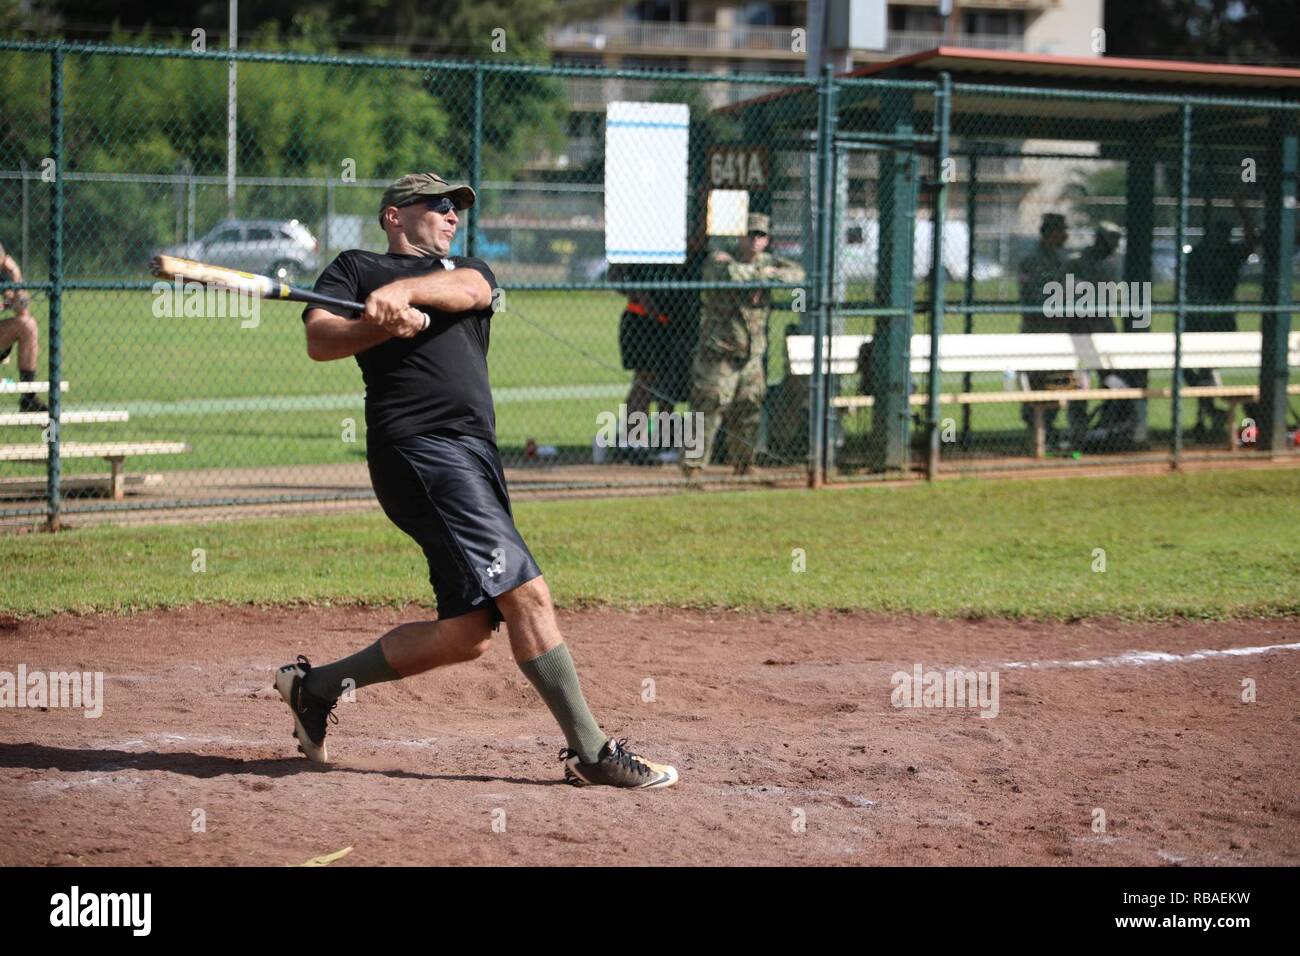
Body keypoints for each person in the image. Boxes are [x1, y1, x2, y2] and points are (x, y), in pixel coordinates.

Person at [277, 172, 678, 789]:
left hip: (474, 457)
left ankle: (318, 687)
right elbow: (320, 338)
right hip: (419, 450)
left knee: (467, 635)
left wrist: (408, 294)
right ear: (393, 216)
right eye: (436, 205)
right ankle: (592, 752)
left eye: (456, 207)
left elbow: (469, 291)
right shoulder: (355, 268)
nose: (450, 215)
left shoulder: (466, 270)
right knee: (528, 594)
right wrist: (378, 324)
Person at [683, 212, 805, 478]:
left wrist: (766, 272)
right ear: (740, 236)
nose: (754, 241)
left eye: (760, 236)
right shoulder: (720, 256)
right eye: (750, 234)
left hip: (753, 353)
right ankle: (692, 467)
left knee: (749, 407)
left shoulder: (769, 260)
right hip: (720, 350)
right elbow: (730, 274)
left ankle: (744, 463)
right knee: (709, 405)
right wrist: (766, 274)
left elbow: (797, 275)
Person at [1184, 194, 1258, 435]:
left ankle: (1213, 409)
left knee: (1210, 365)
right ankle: (1208, 408)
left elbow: (1251, 241)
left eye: (1225, 234)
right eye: (1217, 233)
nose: (1221, 238)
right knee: (1188, 366)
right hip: (1198, 317)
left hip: (1222, 318)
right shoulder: (1198, 254)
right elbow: (1191, 288)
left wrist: (1243, 209)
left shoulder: (1231, 253)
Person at [1068, 221, 1125, 447]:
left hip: (1104, 329)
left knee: (1112, 378)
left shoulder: (1112, 263)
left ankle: (1107, 425)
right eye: (1110, 239)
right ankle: (1078, 427)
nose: (1114, 245)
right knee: (1080, 379)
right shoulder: (1079, 262)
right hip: (1081, 330)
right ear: (1099, 239)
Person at [1017, 212, 1070, 446]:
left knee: (1059, 379)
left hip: (1058, 331)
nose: (1066, 235)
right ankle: (1037, 431)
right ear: (1051, 232)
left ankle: (1050, 427)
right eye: (1062, 230)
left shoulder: (1061, 260)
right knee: (1036, 380)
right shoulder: (1033, 260)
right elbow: (1034, 296)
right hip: (1037, 330)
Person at [0, 240, 48, 413]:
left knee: (28, 325)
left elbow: (23, 311)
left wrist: (16, 277)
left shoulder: (4, 273)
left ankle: (28, 398)